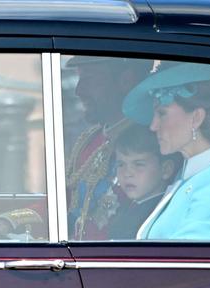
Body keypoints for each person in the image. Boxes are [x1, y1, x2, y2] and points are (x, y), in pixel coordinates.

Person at [123, 62, 210, 240]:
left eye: (162, 113)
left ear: (196, 118)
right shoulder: (192, 174)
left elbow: (184, 260)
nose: (152, 126)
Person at [64, 56, 152, 239]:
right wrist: (10, 220)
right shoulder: (89, 141)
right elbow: (63, 201)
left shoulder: (151, 142)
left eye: (89, 79)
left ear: (125, 81)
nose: (79, 90)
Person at [105, 125, 182, 240]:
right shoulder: (131, 208)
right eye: (121, 164)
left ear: (166, 170)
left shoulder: (159, 216)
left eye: (138, 164)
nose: (127, 173)